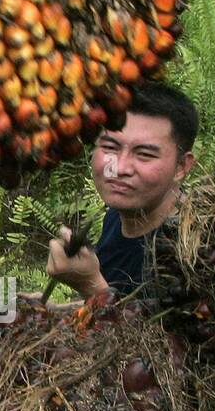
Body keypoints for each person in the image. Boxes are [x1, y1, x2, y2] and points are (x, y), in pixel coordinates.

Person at [44, 82, 197, 300]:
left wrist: (90, 284)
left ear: (181, 166)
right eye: (110, 148)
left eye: (144, 154)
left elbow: (161, 332)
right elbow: (118, 297)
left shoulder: (193, 251)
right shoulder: (117, 216)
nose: (120, 168)